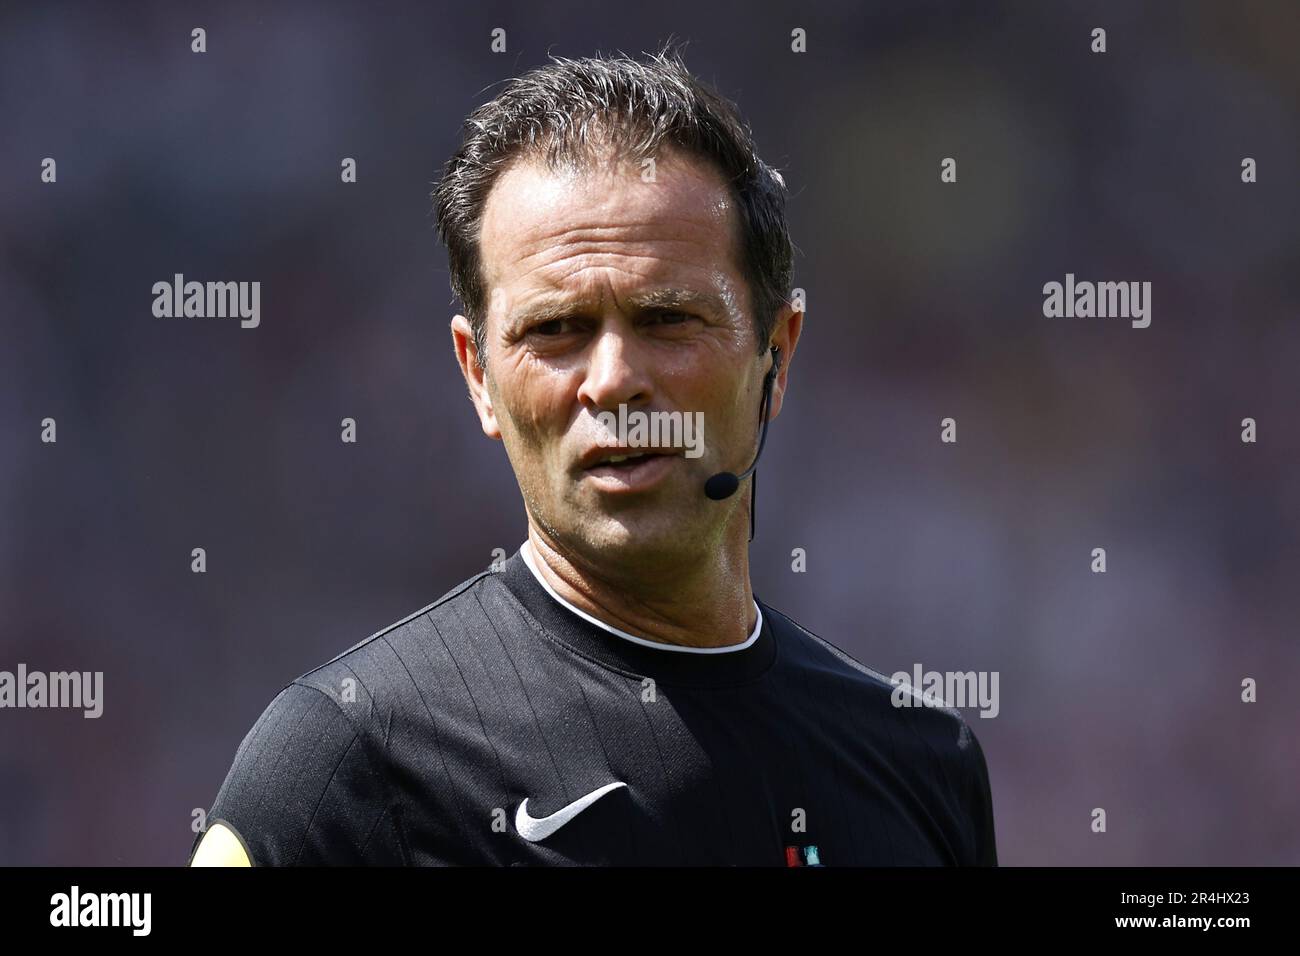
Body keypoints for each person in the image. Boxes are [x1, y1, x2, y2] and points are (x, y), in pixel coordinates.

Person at [188, 45, 996, 867]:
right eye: (555, 330)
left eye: (668, 319)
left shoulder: (920, 763)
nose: (613, 382)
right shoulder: (349, 765)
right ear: (478, 377)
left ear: (775, 355)